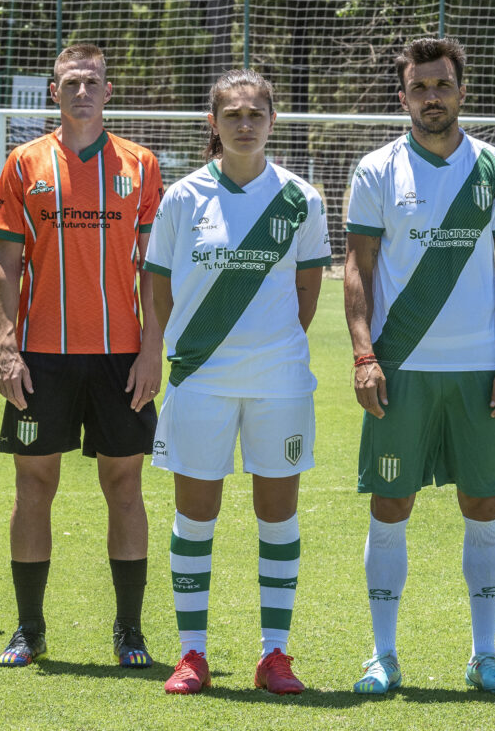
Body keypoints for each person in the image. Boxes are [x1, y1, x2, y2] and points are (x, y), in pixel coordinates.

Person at [344, 37, 495, 694]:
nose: (431, 97)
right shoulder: (375, 170)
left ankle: (485, 654)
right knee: (391, 504)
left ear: (461, 90)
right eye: (419, 87)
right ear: (404, 97)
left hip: (480, 368)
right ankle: (383, 655)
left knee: (483, 502)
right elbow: (358, 271)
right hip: (402, 369)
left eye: (441, 85)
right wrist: (365, 354)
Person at [145, 70, 331, 695]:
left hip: (280, 381)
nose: (245, 124)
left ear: (272, 121)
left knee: (277, 517)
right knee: (195, 516)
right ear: (214, 124)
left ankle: (274, 654)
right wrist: (180, 350)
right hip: (200, 380)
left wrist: (271, 343)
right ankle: (192, 654)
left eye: (256, 114)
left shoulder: (301, 198)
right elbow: (158, 284)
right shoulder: (182, 197)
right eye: (233, 115)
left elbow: (308, 290)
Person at [0, 43, 164, 667]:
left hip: (121, 356)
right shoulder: (24, 162)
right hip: (43, 355)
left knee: (124, 485)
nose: (82, 92)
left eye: (92, 82)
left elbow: (154, 271)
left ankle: (130, 631)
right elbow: (6, 265)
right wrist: (8, 346)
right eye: (71, 82)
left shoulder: (141, 166)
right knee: (34, 485)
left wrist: (151, 350)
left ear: (108, 91)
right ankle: (29, 629)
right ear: (53, 92)